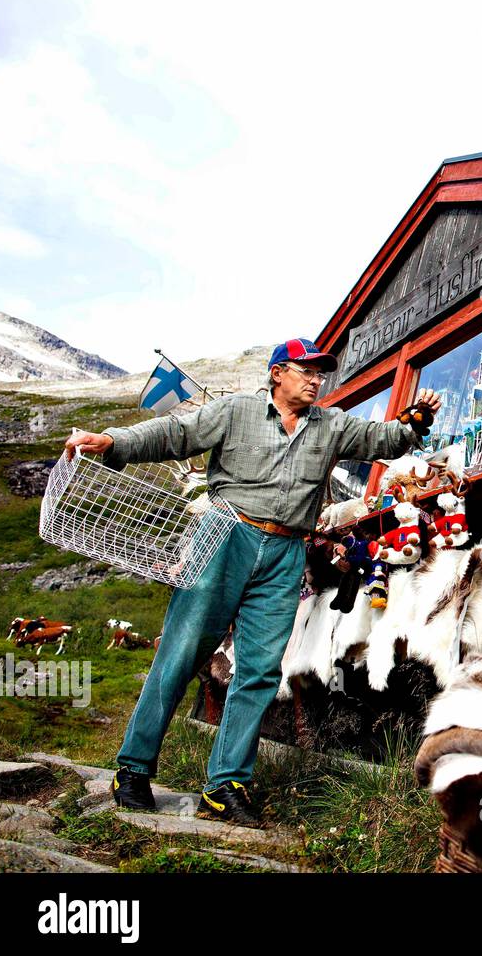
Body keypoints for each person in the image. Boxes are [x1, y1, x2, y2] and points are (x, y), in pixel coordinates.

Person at [64, 338, 442, 827]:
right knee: (182, 651)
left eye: (320, 373)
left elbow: (382, 441)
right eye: (306, 370)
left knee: (262, 669)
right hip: (224, 535)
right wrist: (113, 441)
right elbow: (174, 433)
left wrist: (414, 420)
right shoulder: (235, 411)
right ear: (278, 373)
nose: (316, 379)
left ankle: (224, 787)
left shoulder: (331, 424)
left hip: (286, 552)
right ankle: (133, 770)